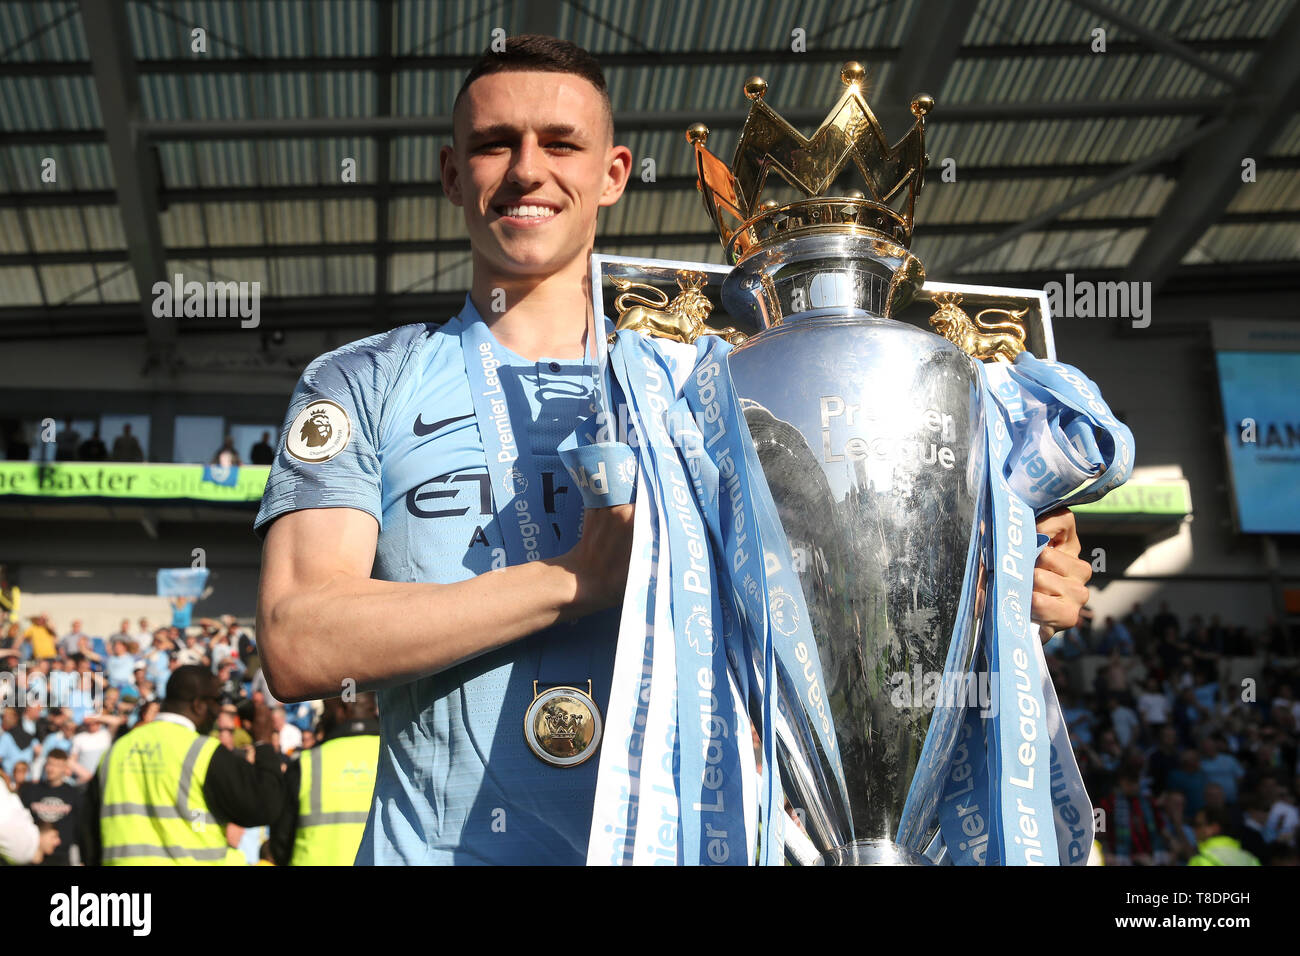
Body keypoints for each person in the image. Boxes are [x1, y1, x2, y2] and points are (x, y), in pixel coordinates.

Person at [253, 36, 1095, 866]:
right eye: (492, 144)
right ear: (450, 174)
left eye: (559, 144)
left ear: (614, 173)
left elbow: (848, 602)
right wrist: (572, 582)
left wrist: (995, 589)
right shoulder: (366, 379)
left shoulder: (712, 390)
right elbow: (299, 641)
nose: (525, 170)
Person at [81, 665, 288, 865]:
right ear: (199, 704)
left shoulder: (116, 750)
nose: (218, 711)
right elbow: (265, 806)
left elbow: (87, 833)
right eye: (216, 701)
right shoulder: (203, 752)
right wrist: (263, 743)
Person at [269, 692, 381, 865]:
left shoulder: (306, 764)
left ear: (344, 709)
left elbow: (280, 843)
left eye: (326, 709)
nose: (321, 717)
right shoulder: (395, 757)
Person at [18, 748, 82, 866]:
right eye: (49, 764)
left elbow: (80, 826)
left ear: (65, 768)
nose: (51, 769)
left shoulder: (73, 793)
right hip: (35, 855)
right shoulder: (31, 791)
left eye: (57, 765)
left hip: (62, 856)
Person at [0, 768, 61, 865]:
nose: (58, 842)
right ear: (42, 832)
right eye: (54, 836)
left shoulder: (26, 844)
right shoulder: (26, 841)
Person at [1188, 805, 1260, 866]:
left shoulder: (1200, 861)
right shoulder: (1250, 860)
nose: (1193, 830)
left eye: (1198, 825)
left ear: (1215, 828)